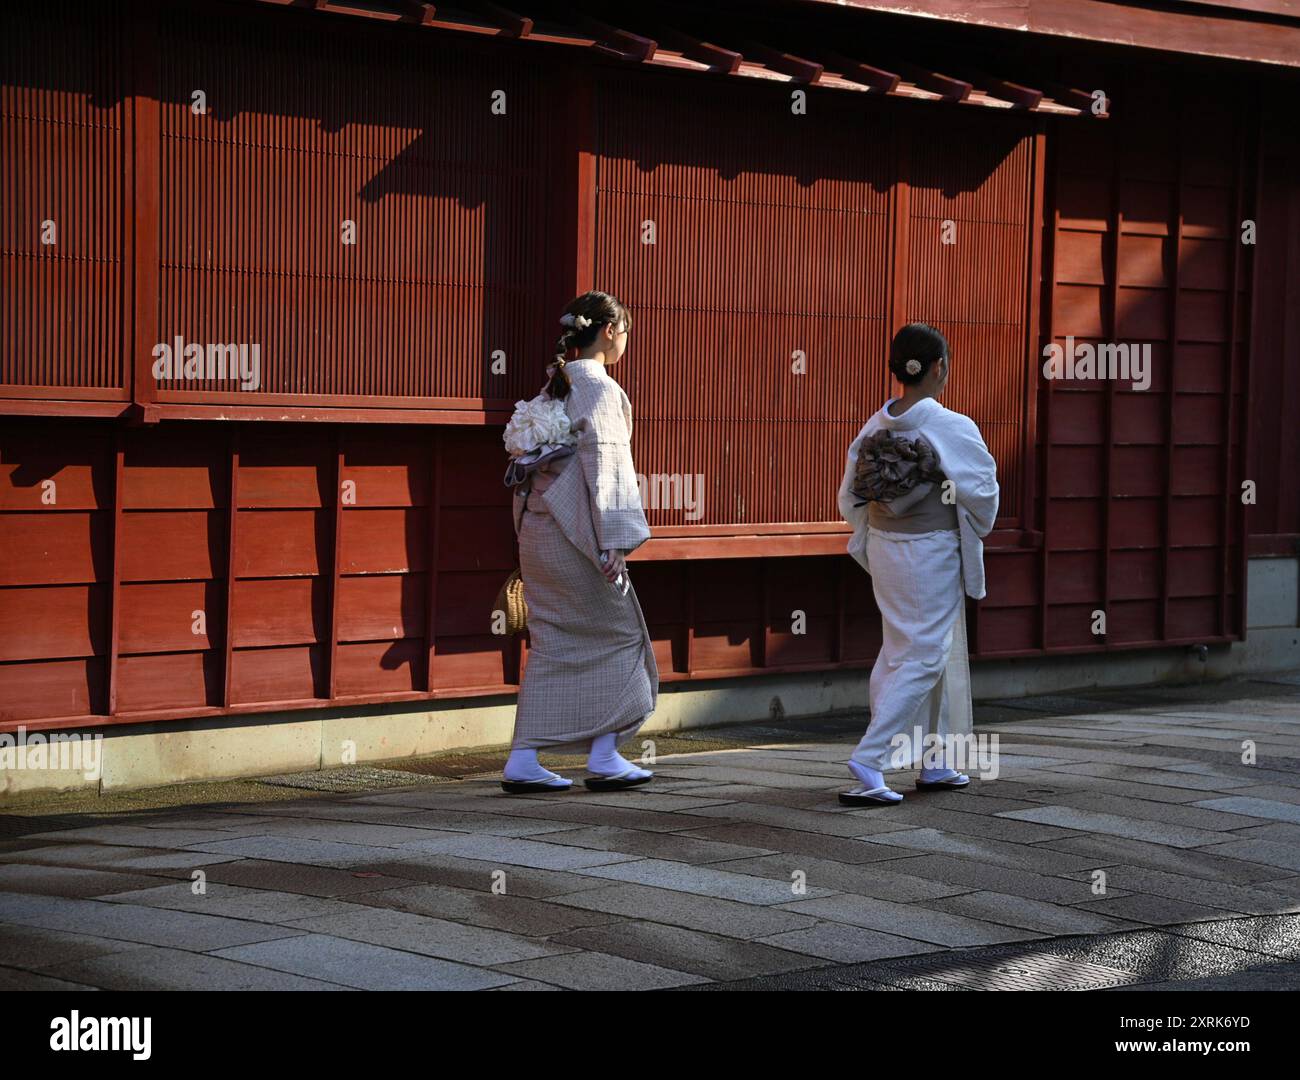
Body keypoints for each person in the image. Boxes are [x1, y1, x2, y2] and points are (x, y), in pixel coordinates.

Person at [500, 290, 659, 794]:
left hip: (540, 529)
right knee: (622, 636)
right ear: (610, 331)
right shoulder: (599, 387)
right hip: (580, 536)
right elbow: (607, 467)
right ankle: (605, 755)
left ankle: (525, 758)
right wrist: (614, 540)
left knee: (553, 642)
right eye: (626, 332)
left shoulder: (554, 386)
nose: (626, 342)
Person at [836, 322, 999, 806]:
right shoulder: (950, 424)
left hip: (887, 545)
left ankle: (937, 759)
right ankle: (870, 758)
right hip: (931, 548)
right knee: (926, 653)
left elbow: (851, 497)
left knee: (901, 648)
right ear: (939, 368)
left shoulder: (876, 424)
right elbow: (984, 494)